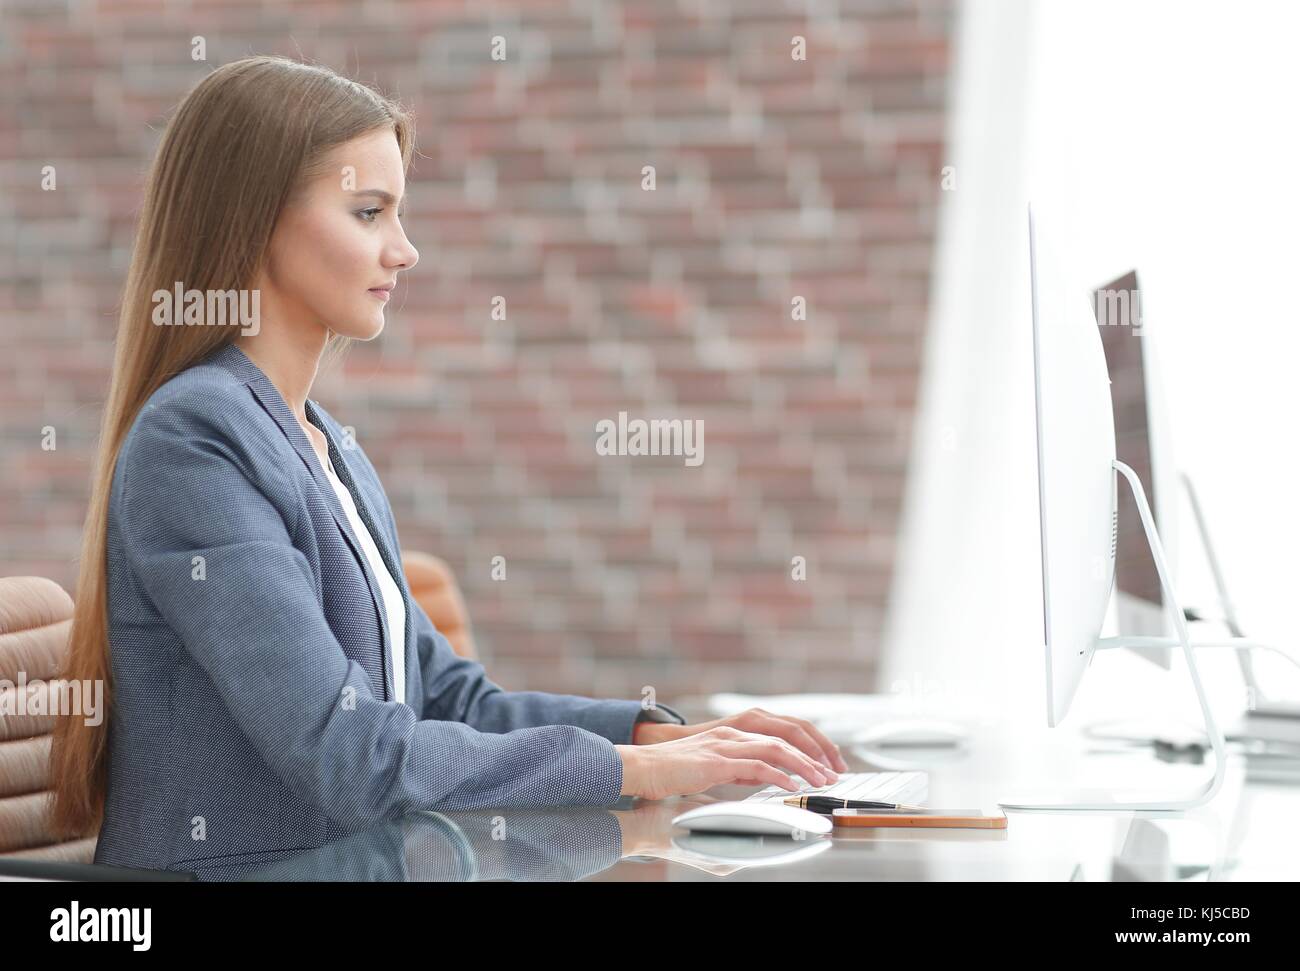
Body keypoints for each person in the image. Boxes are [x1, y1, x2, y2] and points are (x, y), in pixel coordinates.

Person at [48, 55, 847, 872]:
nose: (406, 250)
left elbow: (448, 698)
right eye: (368, 213)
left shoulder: (323, 443)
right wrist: (634, 771)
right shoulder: (196, 438)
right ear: (254, 220)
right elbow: (347, 749)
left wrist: (663, 736)